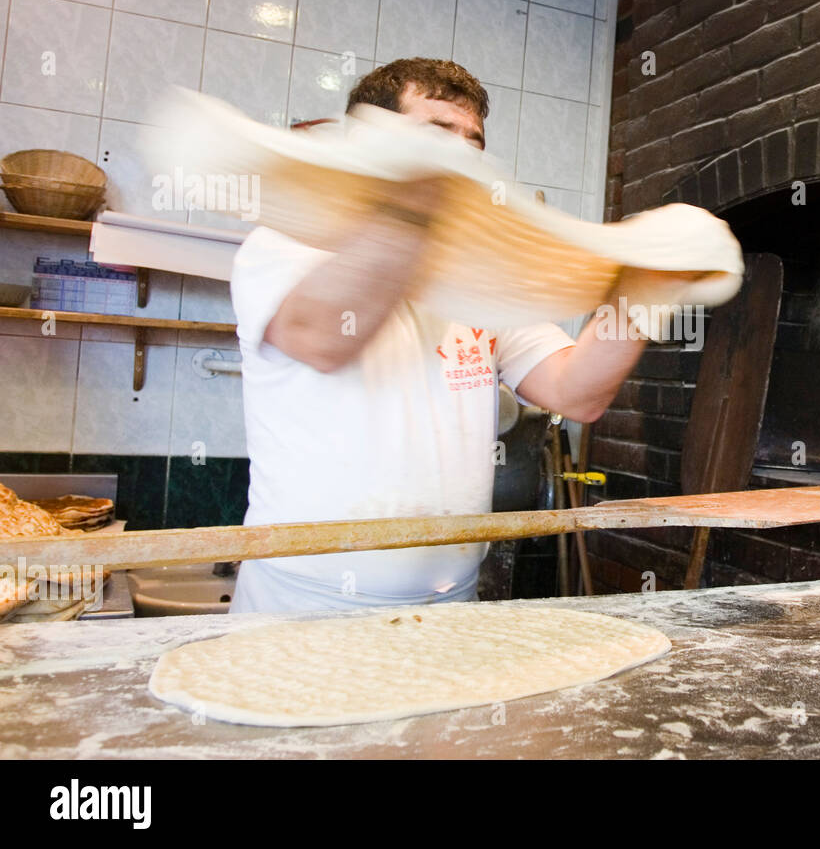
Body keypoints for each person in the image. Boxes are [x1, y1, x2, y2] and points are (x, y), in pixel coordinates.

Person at [228, 58, 689, 613]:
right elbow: (321, 338)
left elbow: (577, 393)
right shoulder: (290, 244)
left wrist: (644, 290)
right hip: (305, 601)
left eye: (472, 144)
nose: (462, 157)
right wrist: (415, 198)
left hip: (451, 602)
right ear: (369, 144)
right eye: (436, 136)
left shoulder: (480, 282)